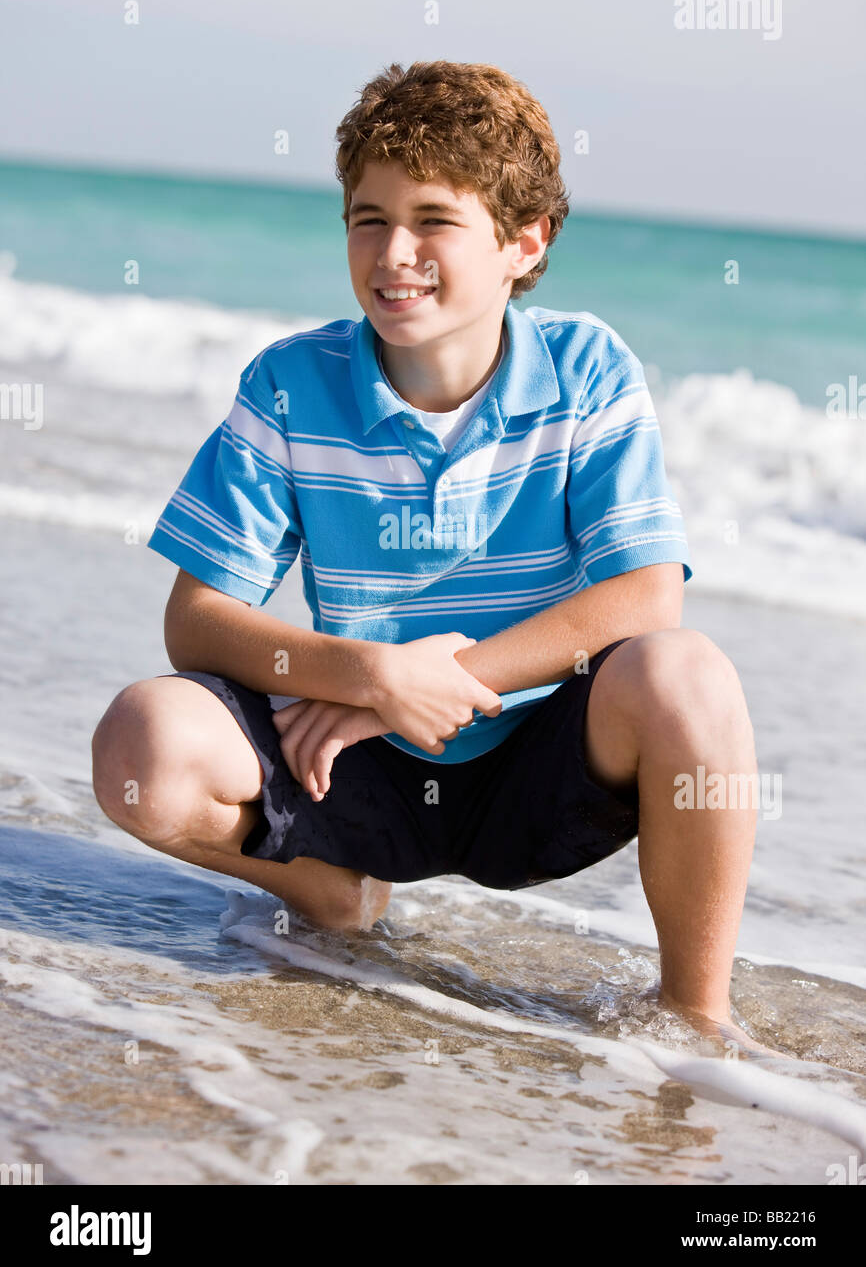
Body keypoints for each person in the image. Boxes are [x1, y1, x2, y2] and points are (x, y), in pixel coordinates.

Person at [91, 60, 759, 1038]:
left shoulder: (586, 370)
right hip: (347, 767)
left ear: (521, 242)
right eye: (368, 217)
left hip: (532, 776)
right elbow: (193, 620)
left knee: (687, 674)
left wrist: (446, 679)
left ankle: (694, 1021)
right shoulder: (290, 384)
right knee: (140, 747)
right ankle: (326, 889)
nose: (392, 251)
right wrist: (367, 677)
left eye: (433, 219)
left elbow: (643, 598)